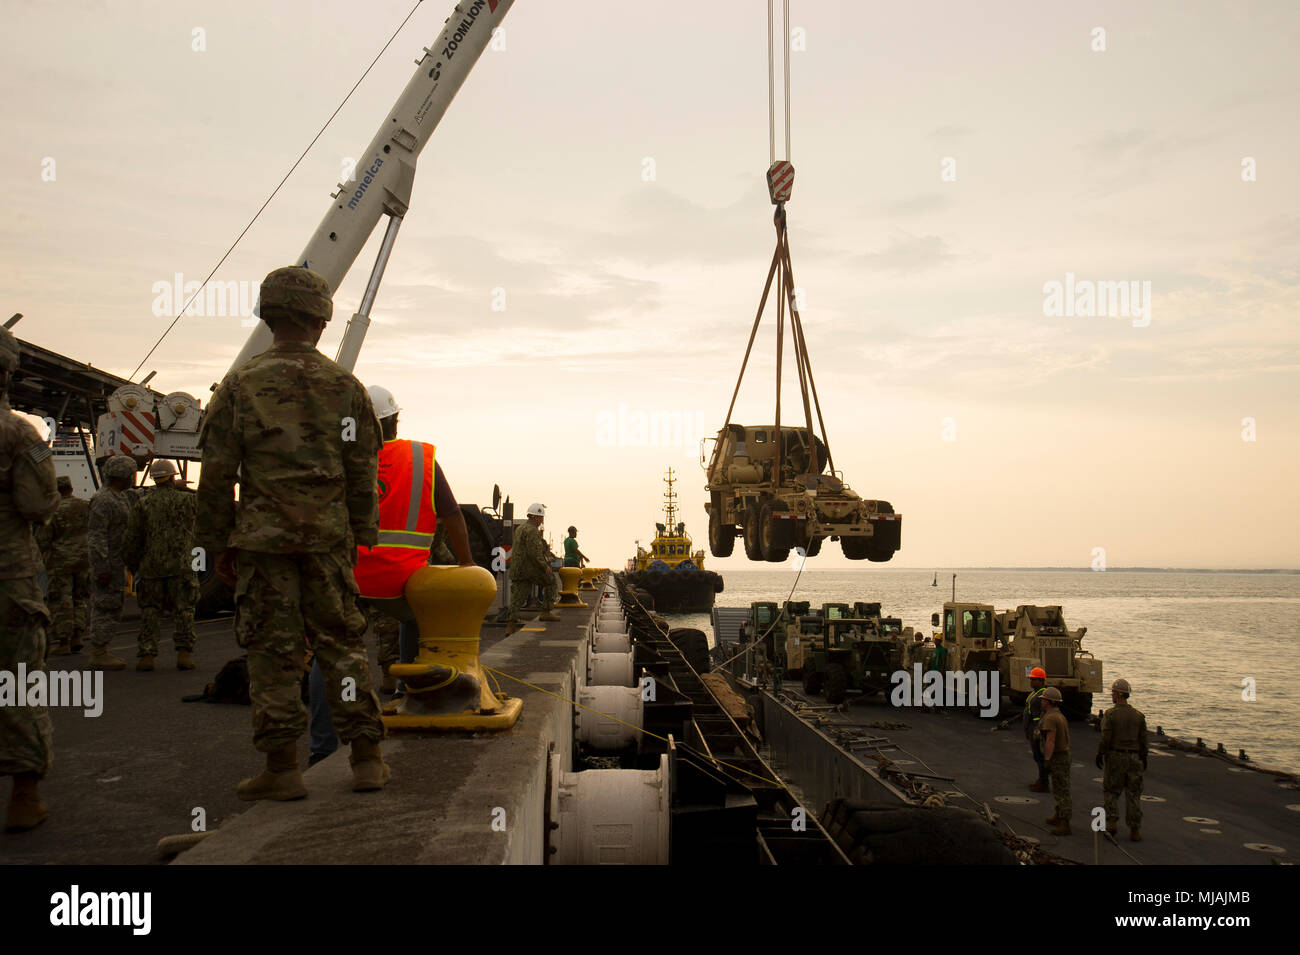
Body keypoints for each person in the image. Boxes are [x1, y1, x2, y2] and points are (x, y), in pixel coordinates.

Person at [195, 265, 387, 800]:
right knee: (343, 645)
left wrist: (216, 544)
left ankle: (282, 769)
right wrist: (359, 534)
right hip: (328, 543)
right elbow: (361, 471)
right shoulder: (345, 388)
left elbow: (216, 474)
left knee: (273, 651)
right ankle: (367, 759)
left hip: (262, 544)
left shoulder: (240, 385)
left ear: (268, 314)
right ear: (322, 321)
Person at [308, 385, 475, 764]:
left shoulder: (337, 457)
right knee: (422, 621)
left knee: (329, 654)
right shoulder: (422, 458)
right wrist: (466, 563)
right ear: (395, 420)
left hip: (347, 576)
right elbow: (452, 516)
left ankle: (321, 749)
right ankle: (408, 693)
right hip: (403, 582)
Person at [0, 326, 60, 831]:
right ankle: (24, 795)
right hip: (8, 579)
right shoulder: (23, 434)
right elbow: (39, 505)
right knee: (17, 683)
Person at [123, 459, 198, 671]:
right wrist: (186, 490)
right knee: (184, 610)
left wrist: (132, 564)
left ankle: (147, 656)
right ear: (173, 477)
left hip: (151, 568)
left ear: (154, 479)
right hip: (181, 566)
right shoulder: (187, 501)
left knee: (150, 611)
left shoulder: (143, 504)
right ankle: (184, 654)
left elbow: (132, 538)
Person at [87, 454, 139, 671]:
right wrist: (102, 568)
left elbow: (137, 496)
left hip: (116, 563)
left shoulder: (119, 496)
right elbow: (96, 537)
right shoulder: (104, 500)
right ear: (124, 475)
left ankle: (102, 649)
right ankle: (99, 652)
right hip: (108, 564)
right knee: (105, 606)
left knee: (113, 604)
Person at [36, 475, 91, 656]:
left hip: (61, 562)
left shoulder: (52, 510)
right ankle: (78, 635)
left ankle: (64, 640)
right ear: (71, 488)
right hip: (84, 559)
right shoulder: (85, 505)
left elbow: (43, 538)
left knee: (62, 600)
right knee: (79, 598)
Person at [1096, 677, 1148, 842]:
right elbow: (1144, 740)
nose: (1111, 694)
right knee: (1133, 793)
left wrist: (1100, 753)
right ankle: (1135, 830)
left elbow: (1105, 737)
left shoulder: (1111, 715)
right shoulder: (1139, 716)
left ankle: (1112, 823)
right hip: (1134, 757)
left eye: (1113, 692)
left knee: (1111, 790)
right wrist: (1144, 757)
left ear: (1118, 694)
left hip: (1116, 756)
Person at [506, 503, 559, 634]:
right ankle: (546, 612)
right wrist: (544, 566)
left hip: (517, 568)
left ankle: (510, 624)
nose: (542, 520)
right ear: (535, 517)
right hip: (529, 568)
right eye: (541, 518)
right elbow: (534, 552)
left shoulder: (520, 529)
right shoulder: (532, 531)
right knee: (551, 582)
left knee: (518, 596)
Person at [1039, 685, 1071, 835]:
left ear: (1049, 702)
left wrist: (1047, 759)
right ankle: (1059, 815)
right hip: (1064, 755)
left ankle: (1065, 822)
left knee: (1062, 790)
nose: (1042, 702)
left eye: (1043, 700)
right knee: (1059, 788)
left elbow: (1050, 740)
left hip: (1058, 756)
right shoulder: (1060, 715)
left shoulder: (1051, 718)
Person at [1023, 667, 1049, 792]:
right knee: (1037, 755)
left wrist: (1037, 729)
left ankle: (1044, 782)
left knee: (1040, 755)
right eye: (1031, 679)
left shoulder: (1042, 695)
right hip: (1031, 728)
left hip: (1036, 728)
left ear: (1040, 681)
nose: (1031, 681)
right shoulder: (1035, 693)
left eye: (1033, 679)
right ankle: (1041, 779)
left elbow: (1043, 713)